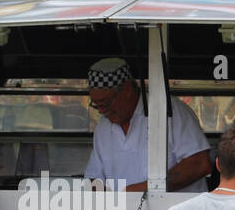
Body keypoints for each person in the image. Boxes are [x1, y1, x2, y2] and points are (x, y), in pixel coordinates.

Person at [84, 57, 212, 192]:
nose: (102, 111)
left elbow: (199, 164)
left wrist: (140, 191)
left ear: (127, 90)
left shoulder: (169, 111)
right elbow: (94, 176)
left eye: (105, 103)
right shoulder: (103, 126)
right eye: (96, 105)